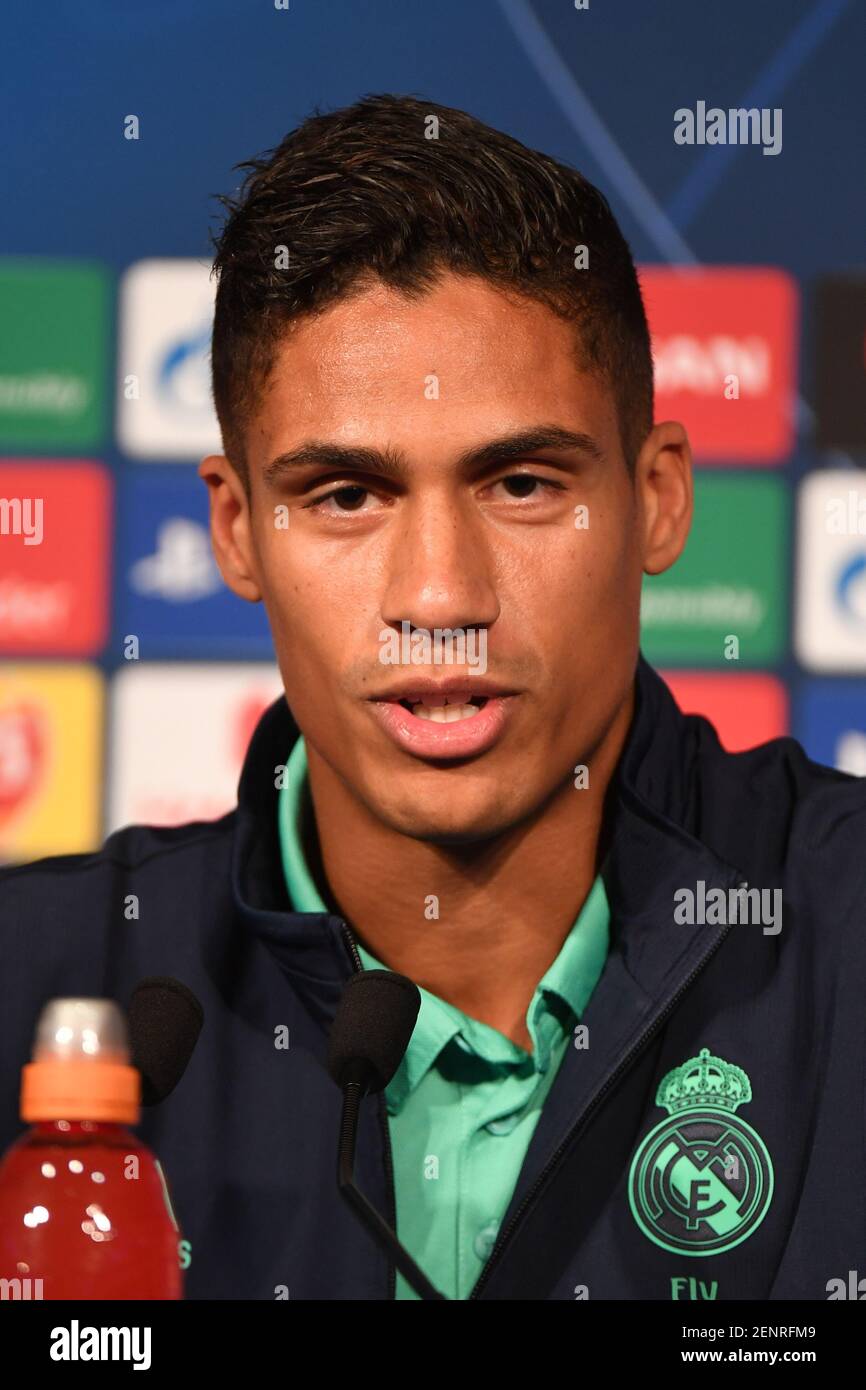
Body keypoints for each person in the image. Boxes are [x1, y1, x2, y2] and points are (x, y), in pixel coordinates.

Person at [2, 93, 864, 1301]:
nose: (438, 595)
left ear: (659, 498)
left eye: (519, 482)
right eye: (347, 496)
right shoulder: (30, 979)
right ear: (237, 531)